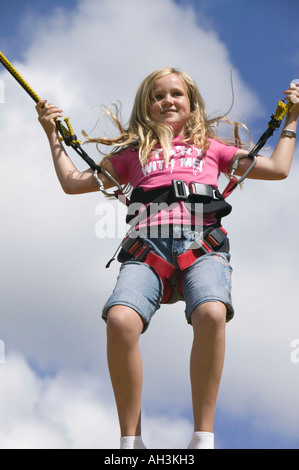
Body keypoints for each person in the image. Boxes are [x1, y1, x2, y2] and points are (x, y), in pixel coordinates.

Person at [36, 68, 299, 449]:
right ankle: (131, 441)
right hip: (147, 251)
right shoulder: (132, 155)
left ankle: (202, 436)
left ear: (191, 103)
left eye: (176, 93)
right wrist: (52, 134)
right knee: (120, 320)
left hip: (202, 247)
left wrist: (291, 118)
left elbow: (277, 168)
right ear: (147, 107)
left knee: (211, 312)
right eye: (157, 96)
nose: (167, 101)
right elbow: (73, 182)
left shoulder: (212, 147)